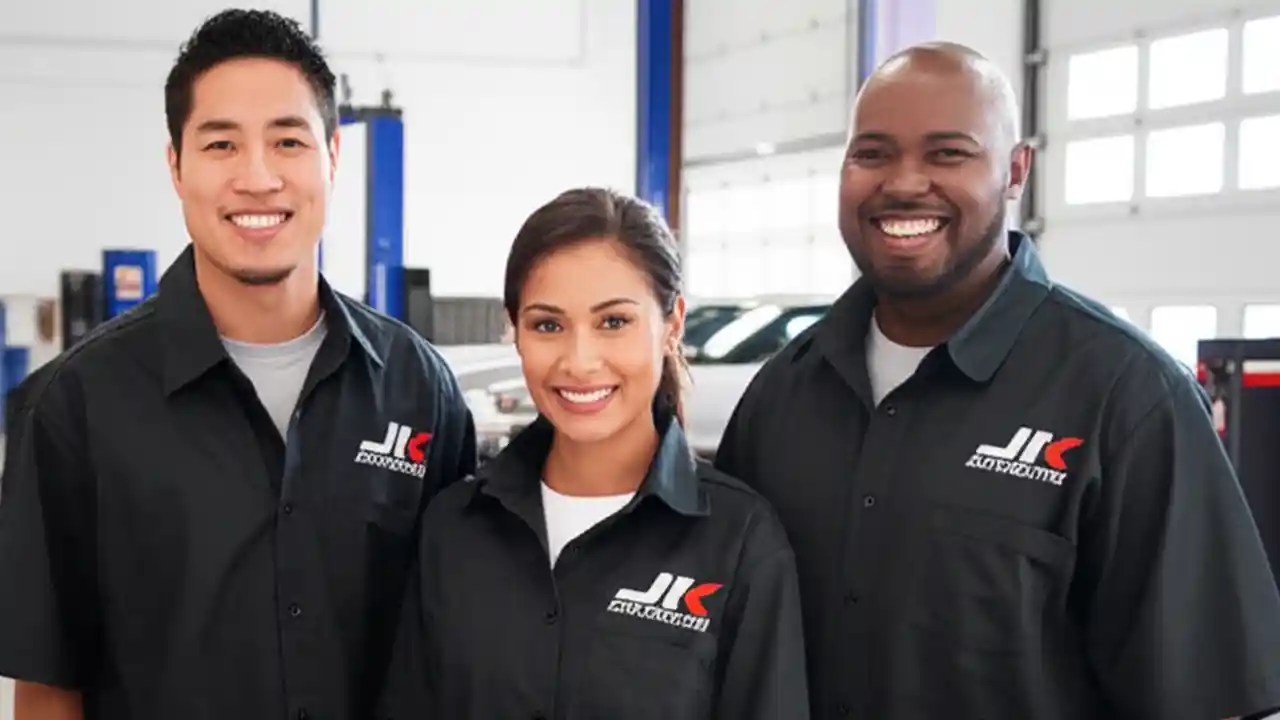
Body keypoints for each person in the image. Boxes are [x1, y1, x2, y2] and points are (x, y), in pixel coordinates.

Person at [715, 41, 1280, 720]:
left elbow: (1212, 697)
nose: (903, 182)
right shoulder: (781, 396)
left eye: (948, 153)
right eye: (872, 153)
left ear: (1015, 172)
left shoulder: (1125, 399)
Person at [0, 9, 475, 719]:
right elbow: (47, 685)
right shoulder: (77, 406)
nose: (258, 178)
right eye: (221, 144)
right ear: (176, 165)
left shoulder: (417, 391)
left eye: (288, 140)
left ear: (333, 156)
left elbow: (455, 643)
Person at [377, 187, 809, 719]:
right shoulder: (453, 529)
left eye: (613, 322)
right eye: (548, 325)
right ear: (515, 330)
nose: (580, 362)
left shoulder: (739, 543)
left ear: (672, 323)